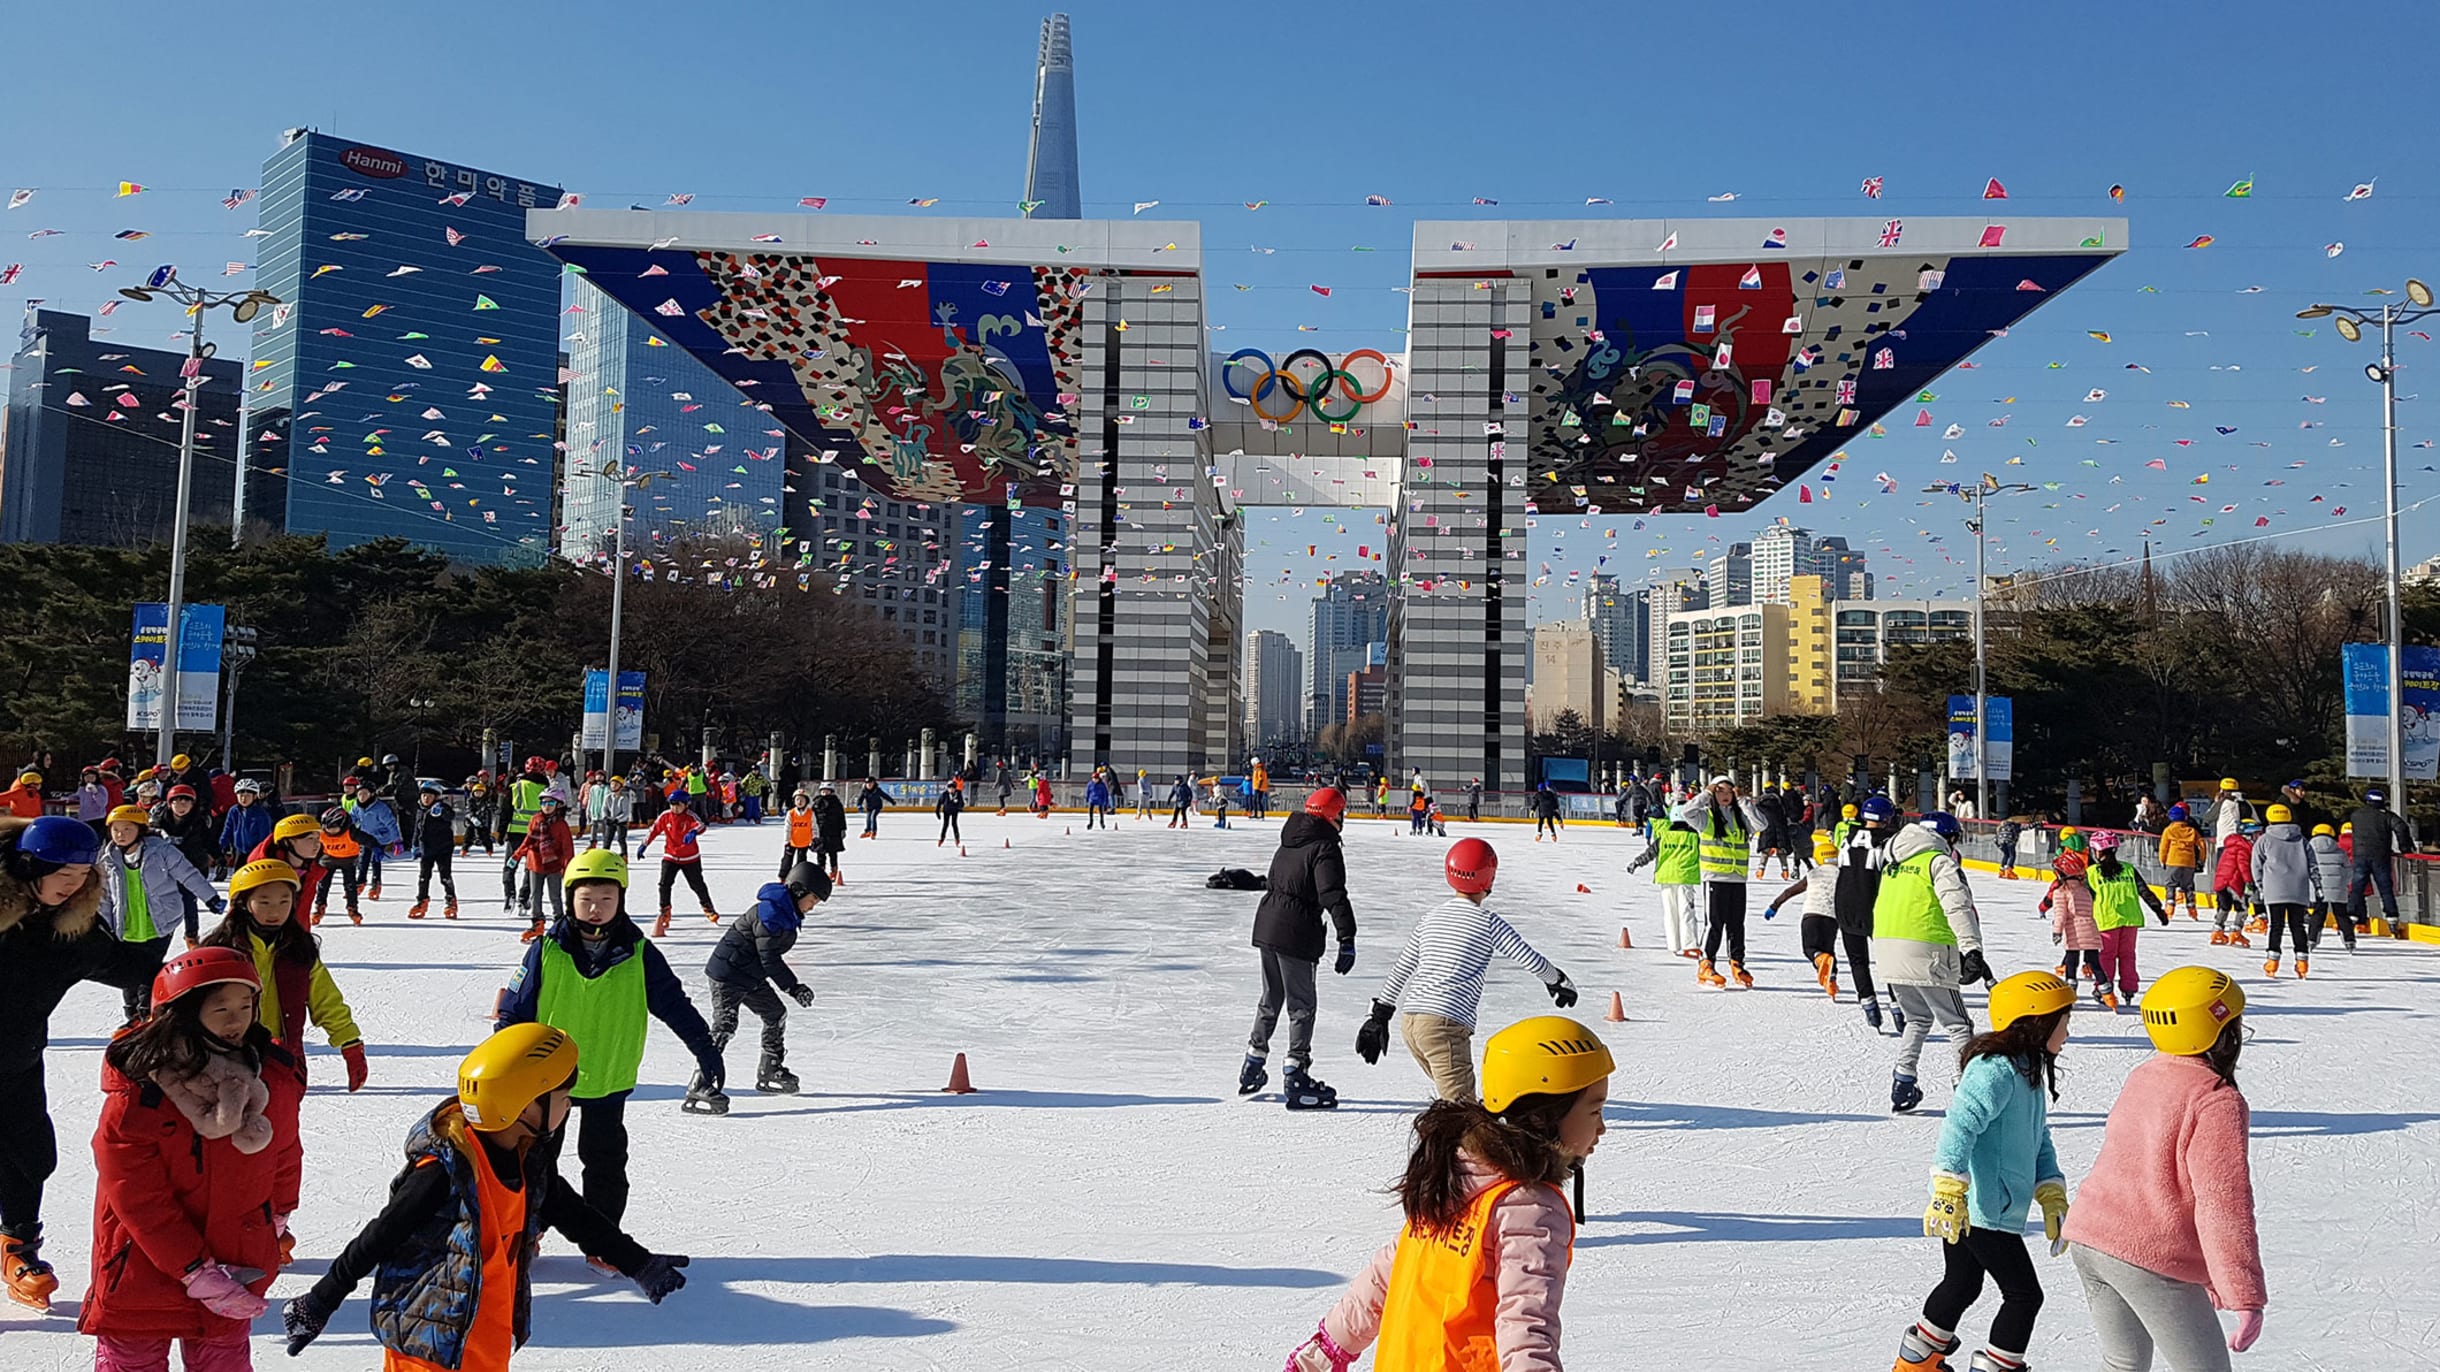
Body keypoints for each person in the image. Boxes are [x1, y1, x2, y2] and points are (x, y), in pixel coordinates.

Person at [277, 1024, 692, 1365]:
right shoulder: (444, 1170)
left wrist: (640, 1264)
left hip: (485, 1335)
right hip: (429, 1344)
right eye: (563, 1099)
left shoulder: (528, 1158)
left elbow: (576, 1217)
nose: (569, 1107)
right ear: (525, 1105)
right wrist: (320, 1301)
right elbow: (380, 1236)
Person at [1284, 1018, 1612, 1372]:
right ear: (1544, 1115)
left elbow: (1384, 1277)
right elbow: (1526, 1326)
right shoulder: (1530, 1208)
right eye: (1594, 1110)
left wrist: (1327, 1349)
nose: (1602, 1127)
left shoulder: (1455, 1175)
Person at [81, 946, 303, 1372]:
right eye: (220, 1008)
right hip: (142, 1264)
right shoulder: (140, 1091)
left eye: (245, 1005)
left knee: (222, 1362)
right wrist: (194, 1271)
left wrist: (276, 1217)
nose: (237, 1019)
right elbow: (135, 1195)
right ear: (180, 1011)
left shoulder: (270, 1075)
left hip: (233, 1255)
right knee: (133, 1361)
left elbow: (286, 1151)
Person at [497, 847, 731, 1231]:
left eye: (606, 899)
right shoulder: (546, 950)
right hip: (547, 1080)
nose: (595, 908)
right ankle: (528, 1230)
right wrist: (504, 1062)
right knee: (535, 1160)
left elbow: (673, 1004)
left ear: (621, 899)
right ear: (570, 898)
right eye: (586, 899)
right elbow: (513, 1010)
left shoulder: (639, 953)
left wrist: (704, 1047)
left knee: (604, 1161)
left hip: (608, 1076)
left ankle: (603, 1237)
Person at [1, 816, 171, 1310]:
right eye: (64, 875)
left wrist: (196, 975)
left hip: (17, 1062)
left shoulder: (72, 932)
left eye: (82, 876)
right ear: (31, 867)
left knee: (31, 1156)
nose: (73, 886)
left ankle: (18, 1247)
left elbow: (130, 968)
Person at [2062, 967, 2266, 1371]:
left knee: (2124, 1364)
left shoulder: (2147, 1074)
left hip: (2090, 1238)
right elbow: (2222, 1204)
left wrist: (2209, 1275)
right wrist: (2242, 1293)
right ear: (2222, 1033)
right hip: (2146, 1255)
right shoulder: (2214, 1100)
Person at [1893, 971, 2076, 1372]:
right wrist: (1947, 1187)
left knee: (1962, 1283)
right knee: (2024, 1295)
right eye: (2064, 1021)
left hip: (1988, 1206)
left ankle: (1916, 1362)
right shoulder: (1995, 1070)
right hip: (1979, 1209)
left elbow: (2037, 1137)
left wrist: (2050, 1192)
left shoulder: (2027, 1070)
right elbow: (1959, 1124)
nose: (2067, 1031)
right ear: (2036, 1021)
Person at [1354, 839, 1576, 1101]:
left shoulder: (1431, 918)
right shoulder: (1488, 922)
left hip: (1412, 1022)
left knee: (1455, 1102)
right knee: (1463, 1112)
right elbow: (1528, 957)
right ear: (1489, 878)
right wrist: (1558, 980)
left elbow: (1402, 968)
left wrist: (1378, 1016)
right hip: (1443, 1026)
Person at [1243, 787, 1357, 1111]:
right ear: (1335, 815)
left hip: (1266, 925)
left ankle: (1253, 1061)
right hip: (1295, 933)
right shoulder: (1325, 846)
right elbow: (1332, 893)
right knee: (1302, 1006)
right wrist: (1346, 937)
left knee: (1271, 997)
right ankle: (1297, 1075)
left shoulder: (1290, 837)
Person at [1875, 812, 1993, 1113]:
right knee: (1958, 1023)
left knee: (1917, 1019)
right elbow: (1957, 905)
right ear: (1947, 837)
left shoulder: (1894, 863)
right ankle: (1967, 1091)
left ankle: (1902, 1083)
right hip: (1927, 950)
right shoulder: (1938, 862)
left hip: (1889, 950)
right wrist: (1972, 949)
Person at [704, 863, 827, 1096]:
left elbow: (767, 960)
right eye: (812, 900)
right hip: (728, 974)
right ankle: (701, 1082)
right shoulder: (771, 914)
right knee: (725, 1026)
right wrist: (794, 987)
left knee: (775, 1014)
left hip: (749, 974)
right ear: (799, 891)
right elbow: (769, 958)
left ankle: (770, 1069)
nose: (812, 907)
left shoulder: (785, 912)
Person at [95, 804, 224, 1023]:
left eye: (127, 829)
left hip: (159, 922)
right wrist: (102, 925)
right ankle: (132, 1013)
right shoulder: (108, 859)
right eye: (116, 830)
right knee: (128, 970)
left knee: (149, 967)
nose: (121, 834)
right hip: (126, 925)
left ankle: (147, 1011)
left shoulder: (161, 850)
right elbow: (105, 896)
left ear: (140, 829)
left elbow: (188, 874)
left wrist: (209, 896)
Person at [1677, 775, 1767, 990]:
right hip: (1715, 878)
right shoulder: (1706, 817)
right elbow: (1686, 811)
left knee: (1737, 925)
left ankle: (1737, 963)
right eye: (1720, 791)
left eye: (1728, 792)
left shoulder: (1740, 818)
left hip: (1737, 878)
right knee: (1714, 923)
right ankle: (1706, 963)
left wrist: (1744, 801)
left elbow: (1761, 824)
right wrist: (1706, 794)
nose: (1724, 796)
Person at [1835, 796, 1903, 1032]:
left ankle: (1869, 1005)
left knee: (1857, 960)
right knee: (1890, 960)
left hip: (1844, 904)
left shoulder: (1847, 836)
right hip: (1875, 905)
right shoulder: (1888, 841)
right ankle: (1898, 1008)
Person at [2090, 833, 2172, 1009]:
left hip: (2107, 921)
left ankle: (2103, 988)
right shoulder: (2128, 869)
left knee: (2106, 956)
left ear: (2097, 852)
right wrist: (2159, 911)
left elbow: (2085, 898)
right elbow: (2145, 892)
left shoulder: (2092, 873)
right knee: (2128, 956)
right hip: (2131, 921)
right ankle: (2129, 988)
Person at [1763, 831, 1846, 1000]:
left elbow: (1790, 891)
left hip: (1812, 915)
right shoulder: (1842, 875)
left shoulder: (1814, 873)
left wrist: (1775, 905)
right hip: (1832, 918)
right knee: (1829, 950)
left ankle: (1819, 958)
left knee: (1810, 948)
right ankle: (1831, 981)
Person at [2250, 803, 2320, 979]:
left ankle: (2272, 961)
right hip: (2298, 889)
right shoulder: (2301, 839)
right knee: (2297, 926)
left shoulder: (2264, 839)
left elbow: (2256, 865)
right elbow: (2313, 865)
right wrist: (2316, 885)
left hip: (2274, 890)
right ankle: (2302, 961)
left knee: (2276, 926)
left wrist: (2261, 886)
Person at [2038, 833, 2107, 1008]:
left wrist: (2052, 924)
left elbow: (2060, 913)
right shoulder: (2085, 886)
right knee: (2094, 961)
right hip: (2091, 928)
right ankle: (2108, 992)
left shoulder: (2061, 889)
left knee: (2071, 959)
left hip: (2073, 932)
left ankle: (2070, 989)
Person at [1628, 807, 1703, 957]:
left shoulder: (1664, 837)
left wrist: (1636, 862)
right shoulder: (1695, 837)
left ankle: (1673, 945)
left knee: (1670, 912)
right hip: (1684, 878)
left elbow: (1649, 853)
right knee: (1686, 911)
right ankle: (1689, 945)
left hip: (1666, 878)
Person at [2343, 785, 2415, 939]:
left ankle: (2351, 916)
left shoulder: (2356, 815)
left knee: (2357, 887)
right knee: (2385, 888)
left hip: (2360, 855)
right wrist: (2405, 847)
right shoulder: (2387, 816)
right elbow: (2401, 827)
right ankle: (2392, 918)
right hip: (2380, 856)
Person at [638, 801, 718, 937]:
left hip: (690, 858)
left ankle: (708, 908)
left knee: (697, 884)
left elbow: (701, 826)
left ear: (686, 805)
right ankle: (665, 911)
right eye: (672, 804)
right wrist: (644, 845)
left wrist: (693, 832)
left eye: (678, 805)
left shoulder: (690, 816)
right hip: (670, 856)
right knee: (664, 884)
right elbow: (654, 830)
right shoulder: (665, 816)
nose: (674, 808)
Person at [151, 784, 219, 939]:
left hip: (193, 867)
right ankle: (165, 933)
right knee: (166, 903)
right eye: (177, 802)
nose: (181, 807)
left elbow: (210, 841)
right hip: (166, 869)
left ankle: (191, 935)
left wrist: (218, 857)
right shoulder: (161, 821)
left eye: (186, 803)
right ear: (170, 804)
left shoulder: (200, 822)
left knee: (189, 902)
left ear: (192, 804)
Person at [404, 781, 458, 921]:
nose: (426, 799)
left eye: (429, 796)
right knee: (423, 877)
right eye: (424, 796)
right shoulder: (420, 810)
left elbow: (450, 816)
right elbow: (417, 828)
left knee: (445, 876)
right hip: (426, 849)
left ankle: (451, 901)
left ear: (437, 797)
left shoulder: (442, 808)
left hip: (443, 849)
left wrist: (442, 812)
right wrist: (414, 845)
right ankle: (422, 901)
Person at [313, 805, 367, 927]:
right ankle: (319, 906)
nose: (330, 831)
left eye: (334, 828)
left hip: (347, 861)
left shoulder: (351, 832)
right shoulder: (321, 834)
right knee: (323, 885)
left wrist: (377, 846)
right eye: (328, 828)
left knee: (350, 886)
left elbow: (366, 839)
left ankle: (352, 908)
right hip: (327, 861)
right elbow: (314, 847)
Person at [2209, 821, 2258, 948]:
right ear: (2248, 835)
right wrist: (2249, 882)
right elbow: (2243, 866)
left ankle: (2217, 929)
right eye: (2256, 835)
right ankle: (2236, 931)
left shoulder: (2230, 846)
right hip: (2234, 882)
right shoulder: (2243, 847)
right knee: (2242, 907)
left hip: (2222, 881)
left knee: (2224, 906)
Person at [2307, 822, 2353, 953]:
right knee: (2341, 914)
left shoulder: (2308, 851)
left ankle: (2311, 939)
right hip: (2338, 888)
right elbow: (2349, 870)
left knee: (2318, 914)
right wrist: (2344, 883)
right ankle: (2349, 940)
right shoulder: (2340, 852)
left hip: (2318, 889)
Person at [2158, 804, 2205, 922]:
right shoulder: (2192, 831)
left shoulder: (2168, 830)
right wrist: (2201, 860)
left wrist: (2162, 860)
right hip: (2189, 862)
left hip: (2173, 861)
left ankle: (2169, 908)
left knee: (2171, 885)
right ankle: (2192, 910)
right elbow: (2202, 845)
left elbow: (2163, 848)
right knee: (2188, 886)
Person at [217, 779, 272, 872]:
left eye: (247, 796)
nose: (243, 799)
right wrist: (219, 848)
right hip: (240, 851)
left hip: (256, 852)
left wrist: (263, 852)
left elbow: (265, 836)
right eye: (241, 795)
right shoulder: (234, 811)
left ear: (254, 796)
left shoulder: (261, 814)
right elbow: (228, 830)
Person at [811, 782, 847, 884]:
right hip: (820, 831)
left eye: (826, 791)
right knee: (820, 853)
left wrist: (843, 829)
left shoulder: (836, 803)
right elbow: (812, 818)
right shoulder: (817, 803)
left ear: (831, 792)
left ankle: (834, 871)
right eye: (823, 791)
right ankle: (821, 871)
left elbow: (841, 817)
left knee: (833, 853)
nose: (824, 793)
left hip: (833, 832)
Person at [590, 774, 633, 857]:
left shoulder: (624, 798)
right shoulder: (608, 797)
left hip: (621, 822)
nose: (613, 786)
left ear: (620, 786)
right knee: (607, 839)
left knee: (621, 839)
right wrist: (605, 817)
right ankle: (604, 854)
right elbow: (604, 808)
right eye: (612, 784)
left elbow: (626, 812)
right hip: (610, 821)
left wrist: (617, 819)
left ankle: (624, 855)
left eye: (616, 785)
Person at [780, 787, 818, 875]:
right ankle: (783, 876)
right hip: (792, 842)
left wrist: (815, 838)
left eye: (802, 800)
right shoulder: (791, 813)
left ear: (806, 801)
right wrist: (787, 841)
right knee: (787, 860)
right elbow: (787, 828)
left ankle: (799, 876)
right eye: (797, 800)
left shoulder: (810, 813)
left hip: (804, 842)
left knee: (801, 862)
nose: (800, 802)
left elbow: (814, 827)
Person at [936, 777, 966, 847]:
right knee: (945, 825)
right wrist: (937, 812)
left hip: (954, 811)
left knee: (954, 824)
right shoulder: (944, 794)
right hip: (946, 811)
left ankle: (957, 839)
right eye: (950, 788)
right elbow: (939, 803)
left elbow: (962, 803)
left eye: (953, 788)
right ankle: (942, 838)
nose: (951, 789)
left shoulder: (958, 794)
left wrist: (960, 807)